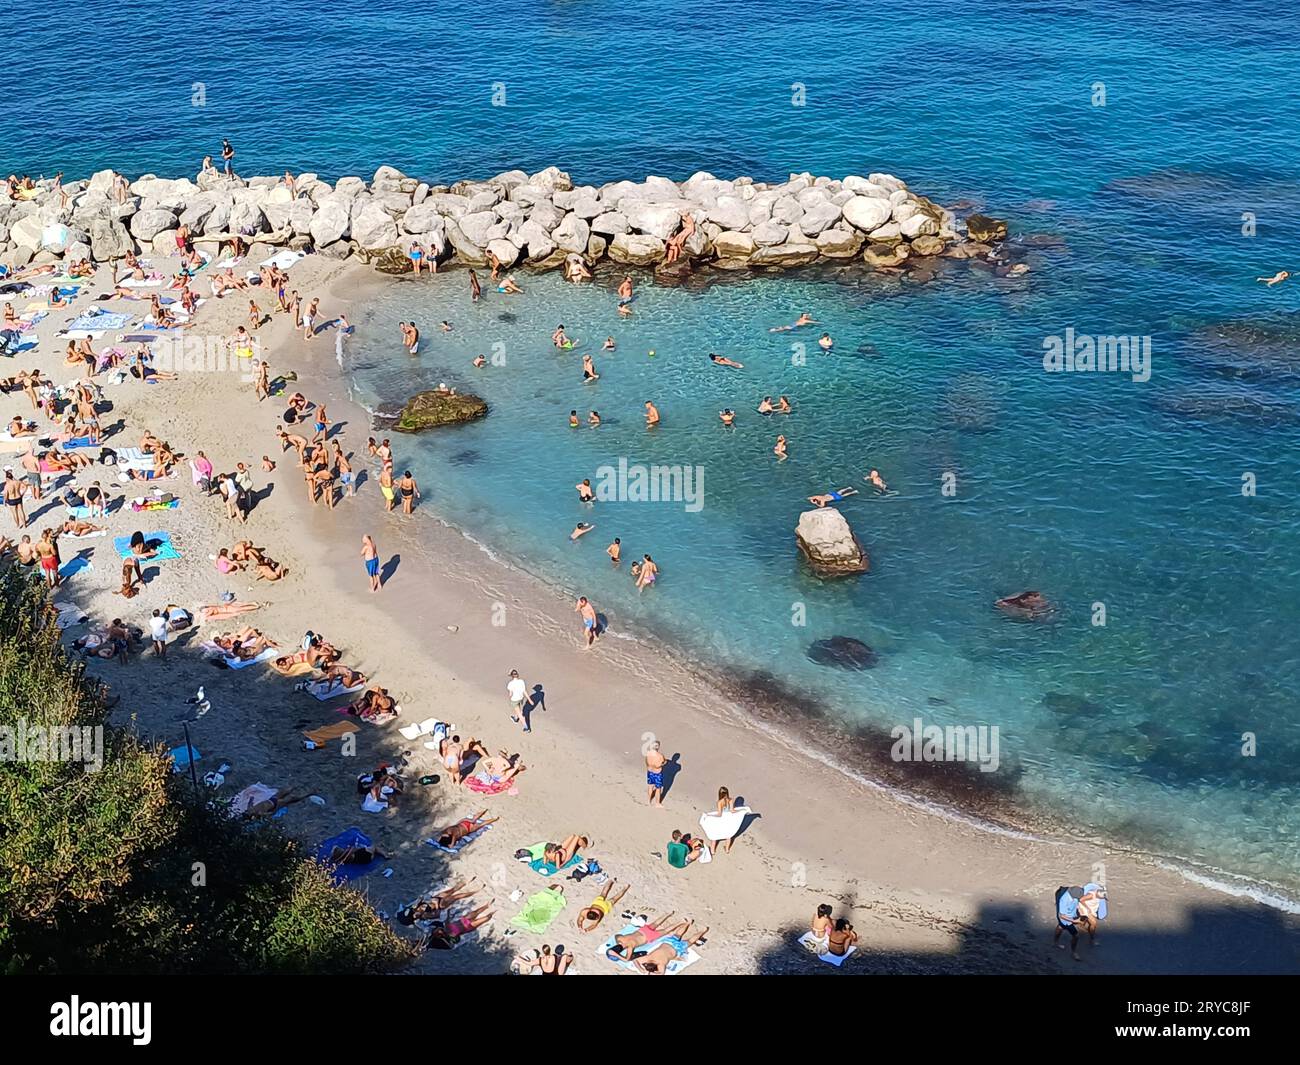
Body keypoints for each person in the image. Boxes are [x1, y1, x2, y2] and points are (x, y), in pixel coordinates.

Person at [633, 923, 709, 974]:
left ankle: (703, 930)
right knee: (678, 933)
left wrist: (650, 973)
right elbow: (635, 960)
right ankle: (687, 923)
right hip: (668, 943)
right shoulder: (647, 958)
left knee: (690, 941)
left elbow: (661, 973)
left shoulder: (661, 964)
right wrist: (640, 968)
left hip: (677, 949)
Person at [605, 912, 684, 961]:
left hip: (648, 937)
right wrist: (614, 948)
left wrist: (617, 955)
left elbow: (627, 959)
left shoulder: (630, 947)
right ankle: (668, 914)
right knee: (656, 923)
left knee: (666, 931)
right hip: (642, 930)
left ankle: (681, 922)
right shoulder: (619, 938)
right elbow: (616, 935)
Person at [1053, 885, 1084, 961]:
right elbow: (1061, 915)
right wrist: (1074, 921)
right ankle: (1073, 952)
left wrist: (1079, 910)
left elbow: (1077, 903)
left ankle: (1055, 942)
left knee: (1060, 927)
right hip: (1066, 920)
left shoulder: (1072, 893)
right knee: (1076, 936)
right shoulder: (1065, 900)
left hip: (1069, 916)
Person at [646, 740, 667, 806]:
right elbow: (662, 763)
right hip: (657, 773)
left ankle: (648, 801)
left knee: (650, 786)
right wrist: (663, 764)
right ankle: (657, 803)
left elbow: (647, 762)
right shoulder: (660, 756)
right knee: (658, 788)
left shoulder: (648, 754)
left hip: (650, 771)